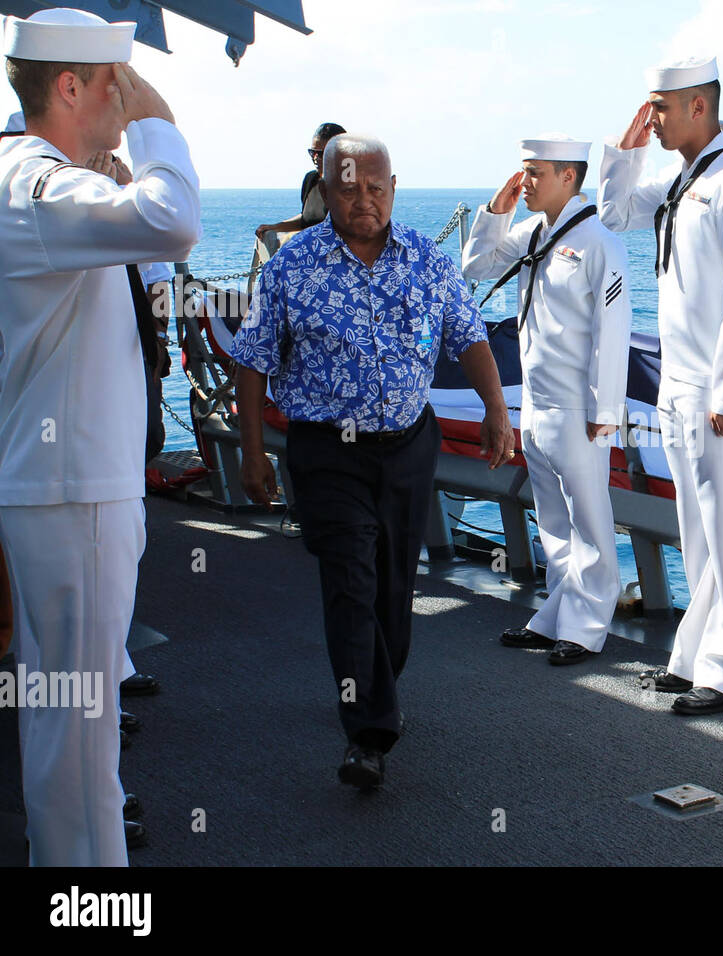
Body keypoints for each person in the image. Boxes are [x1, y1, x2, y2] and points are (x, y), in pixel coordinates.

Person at [231, 133, 514, 789]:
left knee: (392, 594)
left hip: (408, 447)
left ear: (394, 187)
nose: (365, 201)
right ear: (326, 190)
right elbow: (252, 362)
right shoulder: (291, 266)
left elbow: (469, 336)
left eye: (377, 188)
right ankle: (369, 735)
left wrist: (496, 409)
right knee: (351, 585)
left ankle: (379, 689)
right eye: (351, 188)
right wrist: (251, 453)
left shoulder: (426, 259)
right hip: (328, 451)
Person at [0, 8, 201, 865]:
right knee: (81, 734)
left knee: (64, 720)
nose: (126, 96)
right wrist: (160, 120)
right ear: (72, 85)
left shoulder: (39, 178)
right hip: (75, 490)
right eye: (116, 80)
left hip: (64, 484)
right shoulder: (37, 184)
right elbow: (171, 221)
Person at [600, 56, 723, 715]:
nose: (654, 118)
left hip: (716, 392)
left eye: (662, 108)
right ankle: (699, 655)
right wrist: (626, 150)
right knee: (697, 526)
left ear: (698, 106)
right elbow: (614, 212)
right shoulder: (680, 182)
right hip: (678, 386)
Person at [462, 135, 632, 665]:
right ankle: (558, 614)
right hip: (535, 403)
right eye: (525, 171)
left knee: (590, 522)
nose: (527, 181)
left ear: (569, 177)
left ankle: (586, 629)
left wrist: (606, 411)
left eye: (536, 173)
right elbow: (476, 266)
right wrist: (495, 211)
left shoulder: (600, 241)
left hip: (578, 407)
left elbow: (613, 329)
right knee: (554, 522)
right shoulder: (534, 231)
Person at [254, 121, 346, 240]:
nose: (315, 158)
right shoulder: (311, 180)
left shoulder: (350, 187)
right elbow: (305, 220)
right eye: (312, 152)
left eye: (321, 153)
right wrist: (276, 227)